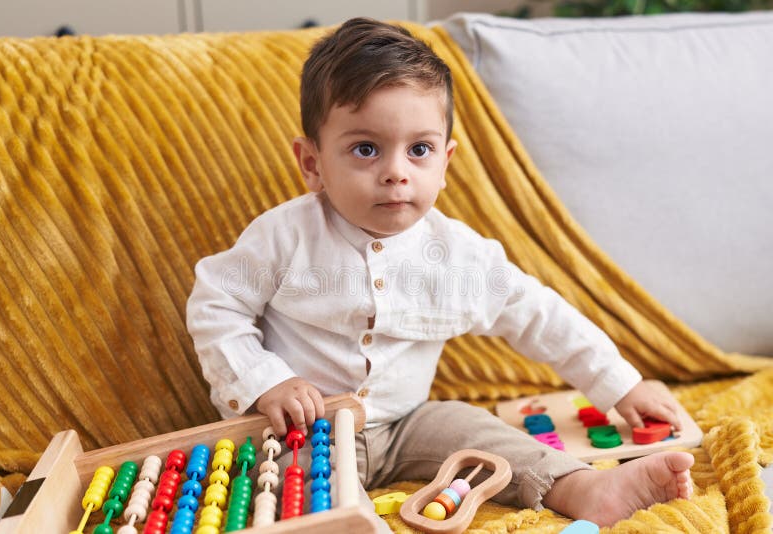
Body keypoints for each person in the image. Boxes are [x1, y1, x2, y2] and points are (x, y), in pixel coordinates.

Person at [186, 17, 693, 529]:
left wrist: (620, 385)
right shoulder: (285, 236)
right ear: (312, 163)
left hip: (408, 425)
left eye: (419, 150)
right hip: (303, 430)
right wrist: (264, 382)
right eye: (366, 149)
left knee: (474, 430)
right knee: (281, 479)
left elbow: (539, 315)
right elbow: (216, 304)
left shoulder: (459, 256)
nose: (396, 171)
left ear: (445, 162)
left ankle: (582, 487)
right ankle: (354, 521)